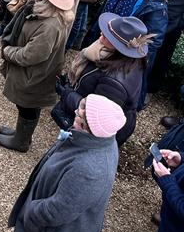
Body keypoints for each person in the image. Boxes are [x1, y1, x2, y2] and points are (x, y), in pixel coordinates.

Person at [8, 93, 126, 232]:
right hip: (62, 231)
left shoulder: (90, 169)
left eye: (82, 118)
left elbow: (57, 211)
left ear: (94, 130)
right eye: (82, 108)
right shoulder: (101, 141)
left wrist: (31, 209)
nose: (76, 114)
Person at [0, 0, 75, 152]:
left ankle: (22, 141)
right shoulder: (44, 10)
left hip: (34, 76)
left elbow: (31, 55)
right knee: (26, 106)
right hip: (33, 74)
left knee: (27, 106)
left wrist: (8, 52)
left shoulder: (50, 25)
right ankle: (20, 134)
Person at [88, 0, 170, 108]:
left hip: (120, 56)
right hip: (105, 39)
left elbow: (153, 41)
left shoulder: (156, 5)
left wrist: (124, 53)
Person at [53, 12, 150, 145]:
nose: (101, 34)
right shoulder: (120, 57)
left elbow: (93, 114)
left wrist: (66, 92)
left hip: (94, 134)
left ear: (119, 46)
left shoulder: (114, 83)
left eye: (107, 36)